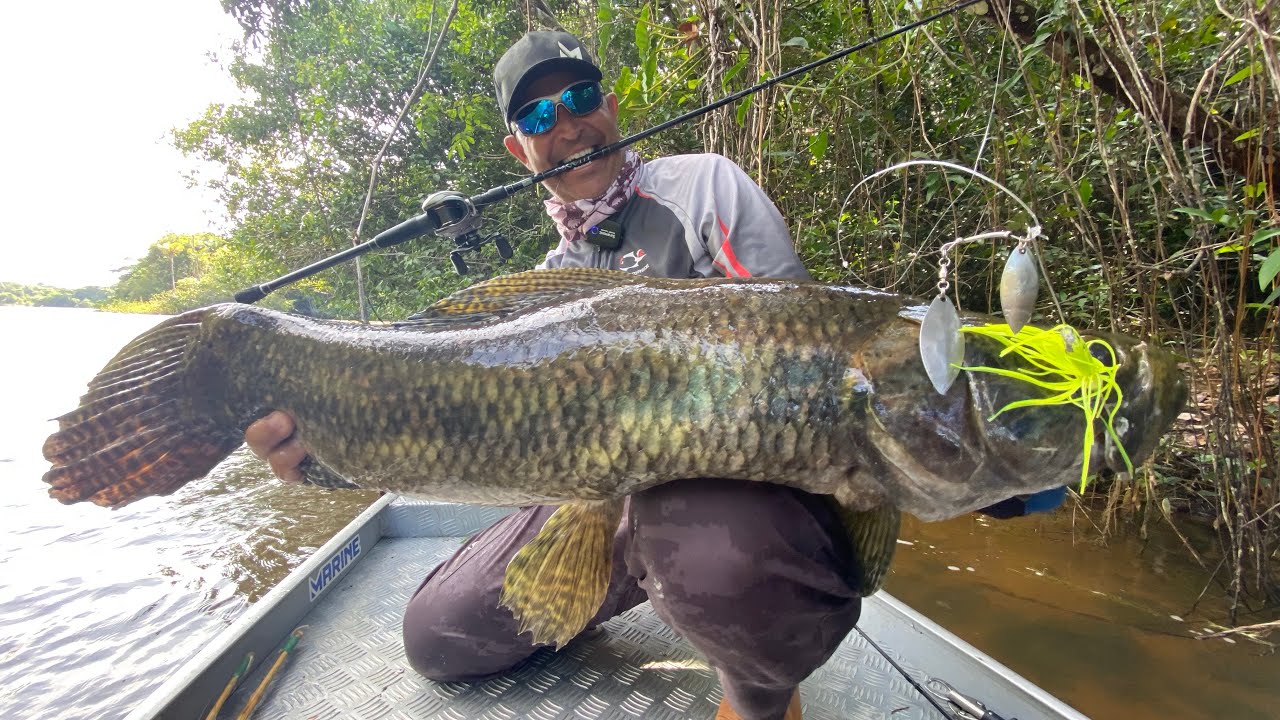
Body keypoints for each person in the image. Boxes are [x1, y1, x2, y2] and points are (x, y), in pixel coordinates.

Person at [246, 30, 1061, 720]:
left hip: (729, 502)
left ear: (611, 104)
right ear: (518, 148)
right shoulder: (545, 281)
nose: (568, 124)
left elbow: (811, 362)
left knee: (713, 559)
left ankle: (758, 693)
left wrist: (987, 461)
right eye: (539, 116)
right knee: (437, 637)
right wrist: (324, 451)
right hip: (599, 501)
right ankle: (622, 586)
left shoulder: (704, 188)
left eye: (580, 98)